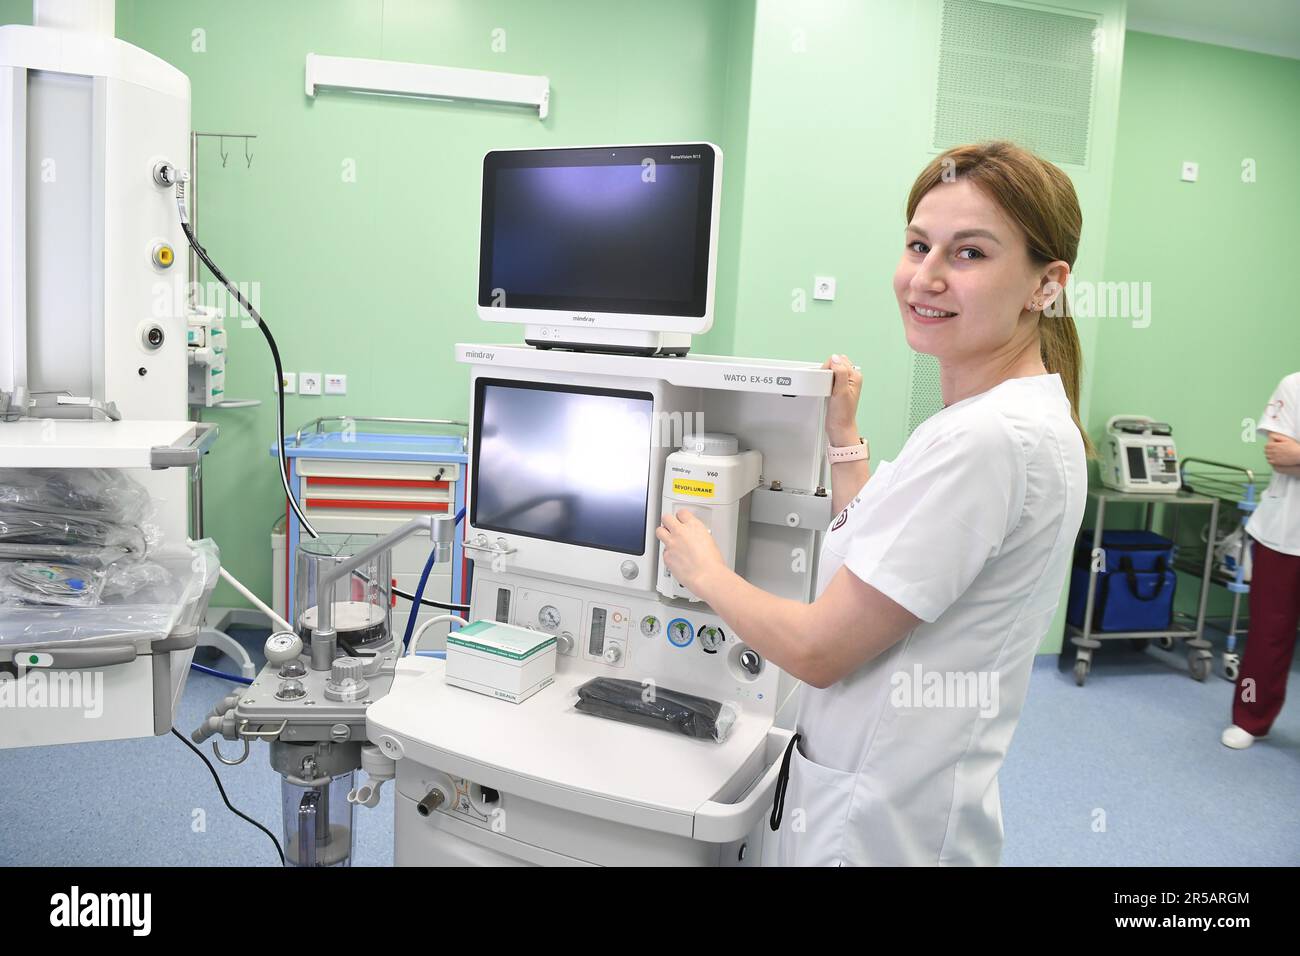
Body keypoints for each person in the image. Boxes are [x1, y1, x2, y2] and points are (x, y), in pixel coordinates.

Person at [656, 141, 1090, 865]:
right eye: (919, 245)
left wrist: (704, 571)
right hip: (903, 794)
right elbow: (883, 557)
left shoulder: (987, 440)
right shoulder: (1015, 420)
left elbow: (819, 650)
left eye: (969, 254)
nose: (926, 277)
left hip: (874, 825)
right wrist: (844, 437)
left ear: (1045, 284)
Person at [1222, 371, 1300, 749]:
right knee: (1268, 634)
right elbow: (1279, 457)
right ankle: (1250, 717)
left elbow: (1295, 455)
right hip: (1282, 533)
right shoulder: (1294, 385)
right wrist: (1293, 456)